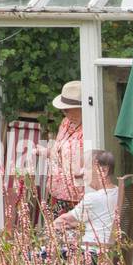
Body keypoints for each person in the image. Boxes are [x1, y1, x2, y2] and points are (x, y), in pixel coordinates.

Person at [54, 150, 119, 250]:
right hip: (109, 253)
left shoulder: (93, 198)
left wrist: (52, 226)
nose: (82, 172)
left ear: (104, 171)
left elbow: (63, 221)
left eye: (87, 167)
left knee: (38, 255)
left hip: (92, 253)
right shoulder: (118, 192)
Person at [43, 79, 85, 218]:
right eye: (63, 109)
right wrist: (47, 152)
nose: (64, 112)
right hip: (57, 192)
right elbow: (61, 150)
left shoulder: (89, 128)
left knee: (71, 236)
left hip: (76, 197)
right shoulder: (66, 122)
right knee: (54, 233)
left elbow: (79, 161)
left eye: (67, 109)